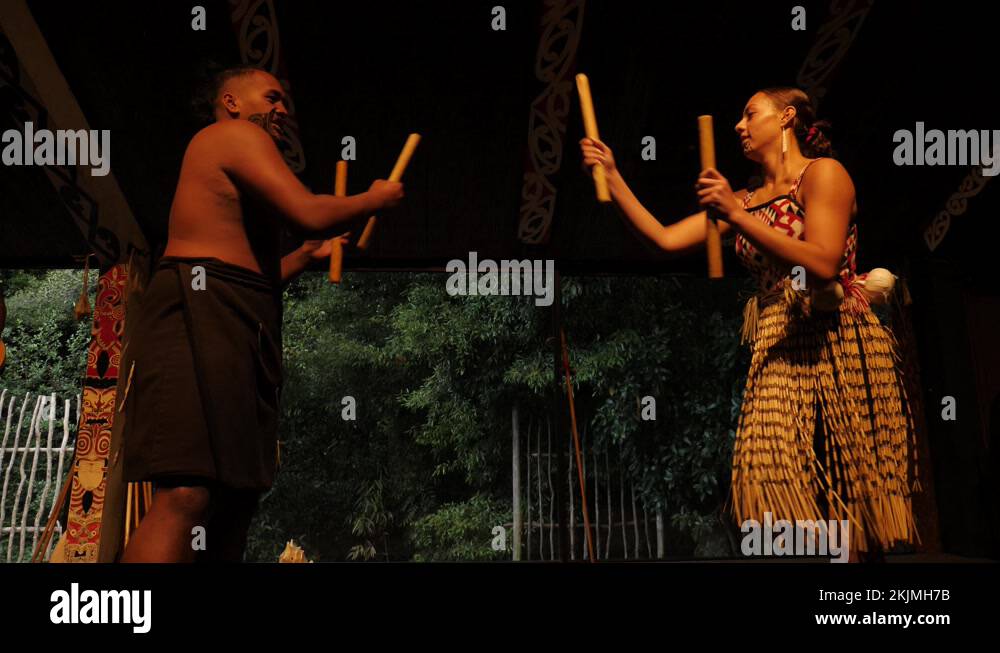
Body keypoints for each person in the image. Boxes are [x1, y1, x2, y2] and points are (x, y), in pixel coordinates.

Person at [579, 87, 918, 562]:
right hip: (778, 346)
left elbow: (821, 263)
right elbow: (664, 239)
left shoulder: (822, 175)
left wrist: (736, 216)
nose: (738, 125)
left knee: (846, 492)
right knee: (779, 492)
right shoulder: (745, 199)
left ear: (786, 117)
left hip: (835, 342)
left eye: (749, 113)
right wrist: (613, 177)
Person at [119, 66, 404, 562]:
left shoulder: (238, 153)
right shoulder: (230, 134)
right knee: (186, 492)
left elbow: (251, 270)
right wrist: (374, 199)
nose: (283, 109)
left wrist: (303, 257)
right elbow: (308, 212)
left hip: (237, 314)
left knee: (232, 499)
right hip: (193, 313)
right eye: (272, 96)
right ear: (231, 101)